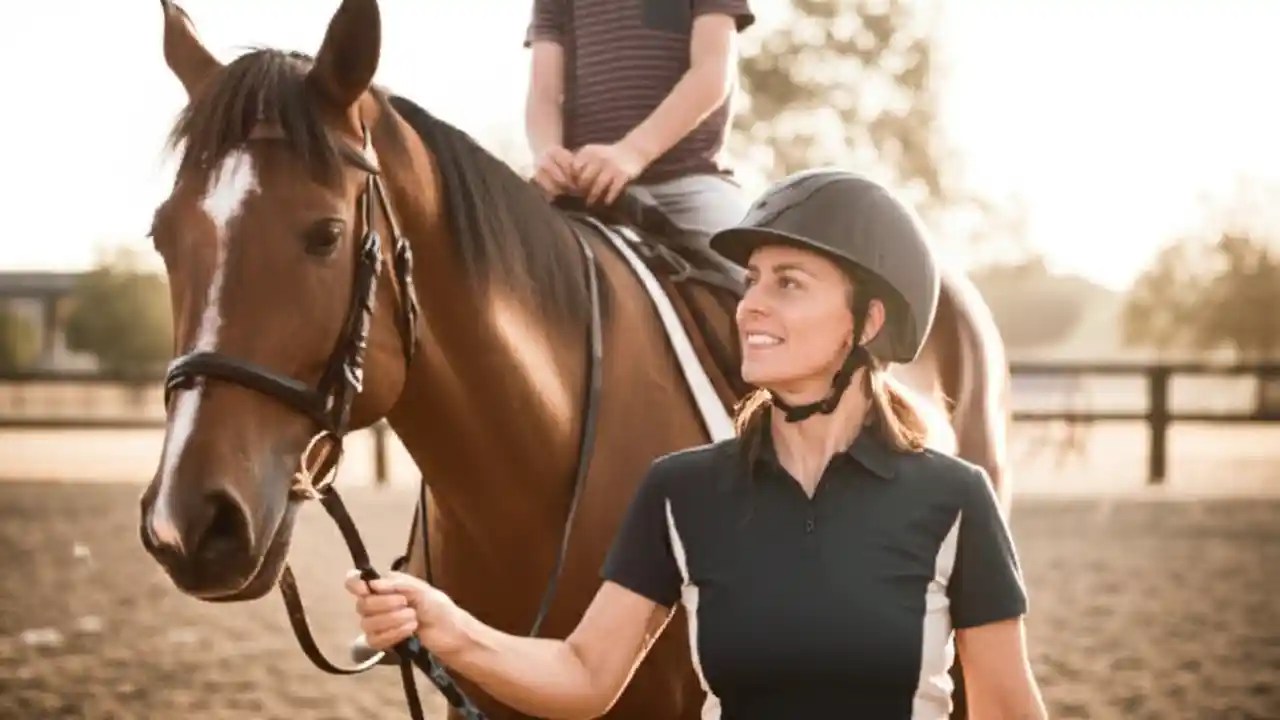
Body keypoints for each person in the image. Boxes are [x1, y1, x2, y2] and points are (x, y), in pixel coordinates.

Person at [346, 169, 1048, 719]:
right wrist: (449, 627)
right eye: (752, 281)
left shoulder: (955, 500)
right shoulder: (682, 490)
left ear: (867, 323)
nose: (751, 305)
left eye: (789, 284)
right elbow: (586, 675)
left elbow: (1006, 708)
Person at [523, 0, 756, 253]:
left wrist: (632, 153)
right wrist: (547, 152)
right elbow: (543, 94)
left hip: (687, 184)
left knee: (749, 264)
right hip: (582, 190)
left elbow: (712, 73)